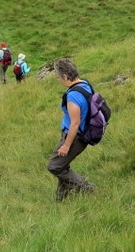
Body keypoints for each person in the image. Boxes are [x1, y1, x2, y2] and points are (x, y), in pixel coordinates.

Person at [47, 58, 97, 201]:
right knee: (62, 166)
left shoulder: (73, 95)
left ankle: (87, 188)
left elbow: (75, 123)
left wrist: (66, 145)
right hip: (82, 133)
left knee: (55, 167)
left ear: (65, 77)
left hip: (74, 136)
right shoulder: (85, 84)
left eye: (58, 77)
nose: (58, 80)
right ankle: (61, 199)